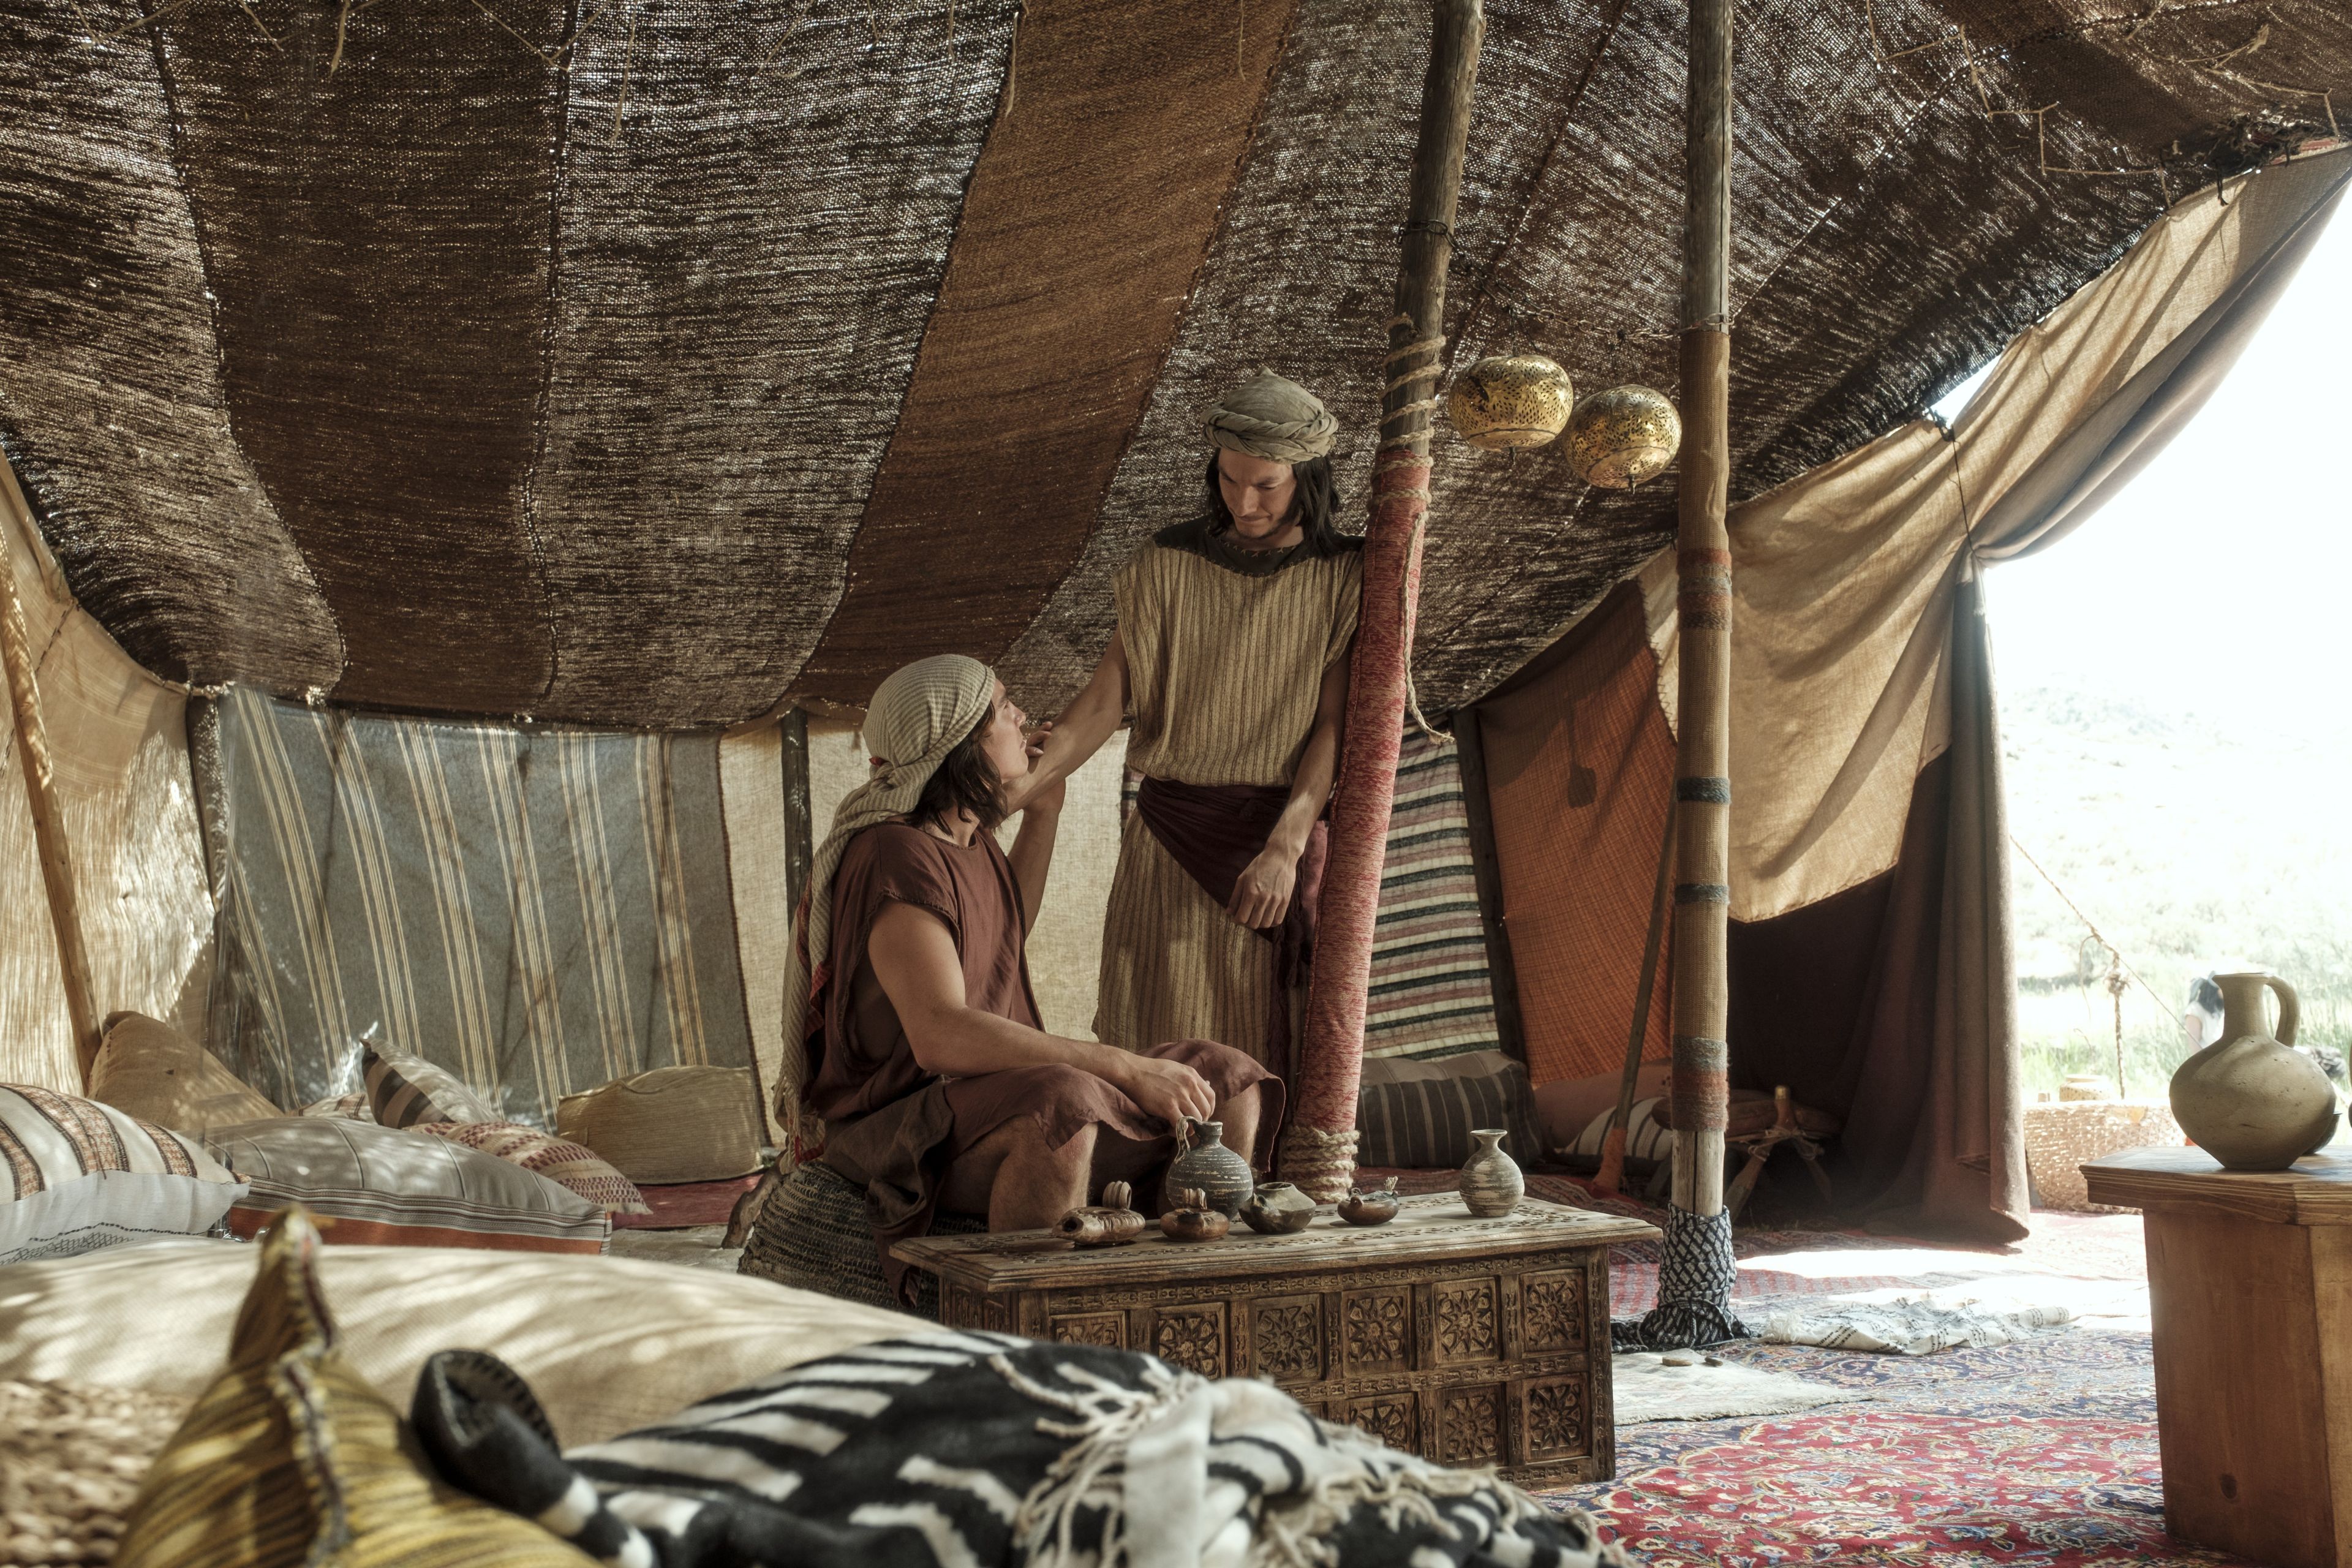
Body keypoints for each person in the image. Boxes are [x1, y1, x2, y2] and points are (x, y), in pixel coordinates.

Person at [777, 654, 1279, 1303]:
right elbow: (940, 1034)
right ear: (957, 744)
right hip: (903, 1122)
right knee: (1060, 1106)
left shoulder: (967, 837)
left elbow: (1001, 929)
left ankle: (1194, 1298)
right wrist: (1122, 1066)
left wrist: (1044, 813)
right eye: (1001, 709)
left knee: (1228, 1075)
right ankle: (1036, 1335)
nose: (1020, 716)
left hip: (980, 1100)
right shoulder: (892, 855)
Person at [1007, 371, 1361, 1072]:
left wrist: (1286, 850)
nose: (1245, 501)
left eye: (1266, 484)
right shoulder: (1165, 563)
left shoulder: (1344, 575)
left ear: (1308, 478)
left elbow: (1333, 726)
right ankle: (1151, 1183)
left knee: (1259, 1050)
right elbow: (1105, 701)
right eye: (1231, 480)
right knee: (1152, 1035)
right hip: (1167, 842)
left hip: (1273, 845)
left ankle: (1255, 1182)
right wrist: (1013, 792)